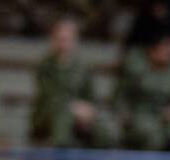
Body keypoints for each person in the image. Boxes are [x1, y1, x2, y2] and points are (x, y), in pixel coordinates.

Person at [28, 18, 111, 147]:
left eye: (67, 39)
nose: (63, 43)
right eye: (60, 39)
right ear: (53, 40)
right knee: (63, 116)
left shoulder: (83, 66)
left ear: (75, 41)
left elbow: (90, 96)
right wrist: (73, 108)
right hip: (47, 113)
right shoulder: (45, 64)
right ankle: (61, 158)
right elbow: (49, 95)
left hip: (77, 114)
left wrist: (88, 110)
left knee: (103, 127)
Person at [111, 35, 170, 152]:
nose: (169, 53)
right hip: (141, 114)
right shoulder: (136, 70)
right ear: (152, 50)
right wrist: (122, 112)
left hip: (167, 115)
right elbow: (120, 95)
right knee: (151, 134)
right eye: (164, 49)